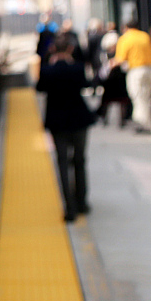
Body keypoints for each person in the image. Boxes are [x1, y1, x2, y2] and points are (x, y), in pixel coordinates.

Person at [36, 36, 96, 222]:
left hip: (57, 123)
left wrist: (48, 62)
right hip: (79, 120)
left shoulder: (46, 71)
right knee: (79, 160)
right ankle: (82, 203)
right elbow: (86, 85)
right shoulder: (78, 68)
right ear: (70, 49)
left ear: (53, 49)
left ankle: (69, 209)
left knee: (62, 162)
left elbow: (39, 88)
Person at [112, 20, 151, 133]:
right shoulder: (145, 36)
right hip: (150, 69)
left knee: (137, 97)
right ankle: (148, 123)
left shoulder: (126, 38)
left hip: (136, 70)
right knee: (147, 97)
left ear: (125, 27)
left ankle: (141, 124)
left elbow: (120, 58)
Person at [96, 29, 132, 126]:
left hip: (118, 81)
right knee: (108, 102)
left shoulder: (119, 52)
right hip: (111, 81)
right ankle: (105, 118)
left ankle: (122, 120)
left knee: (120, 101)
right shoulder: (104, 55)